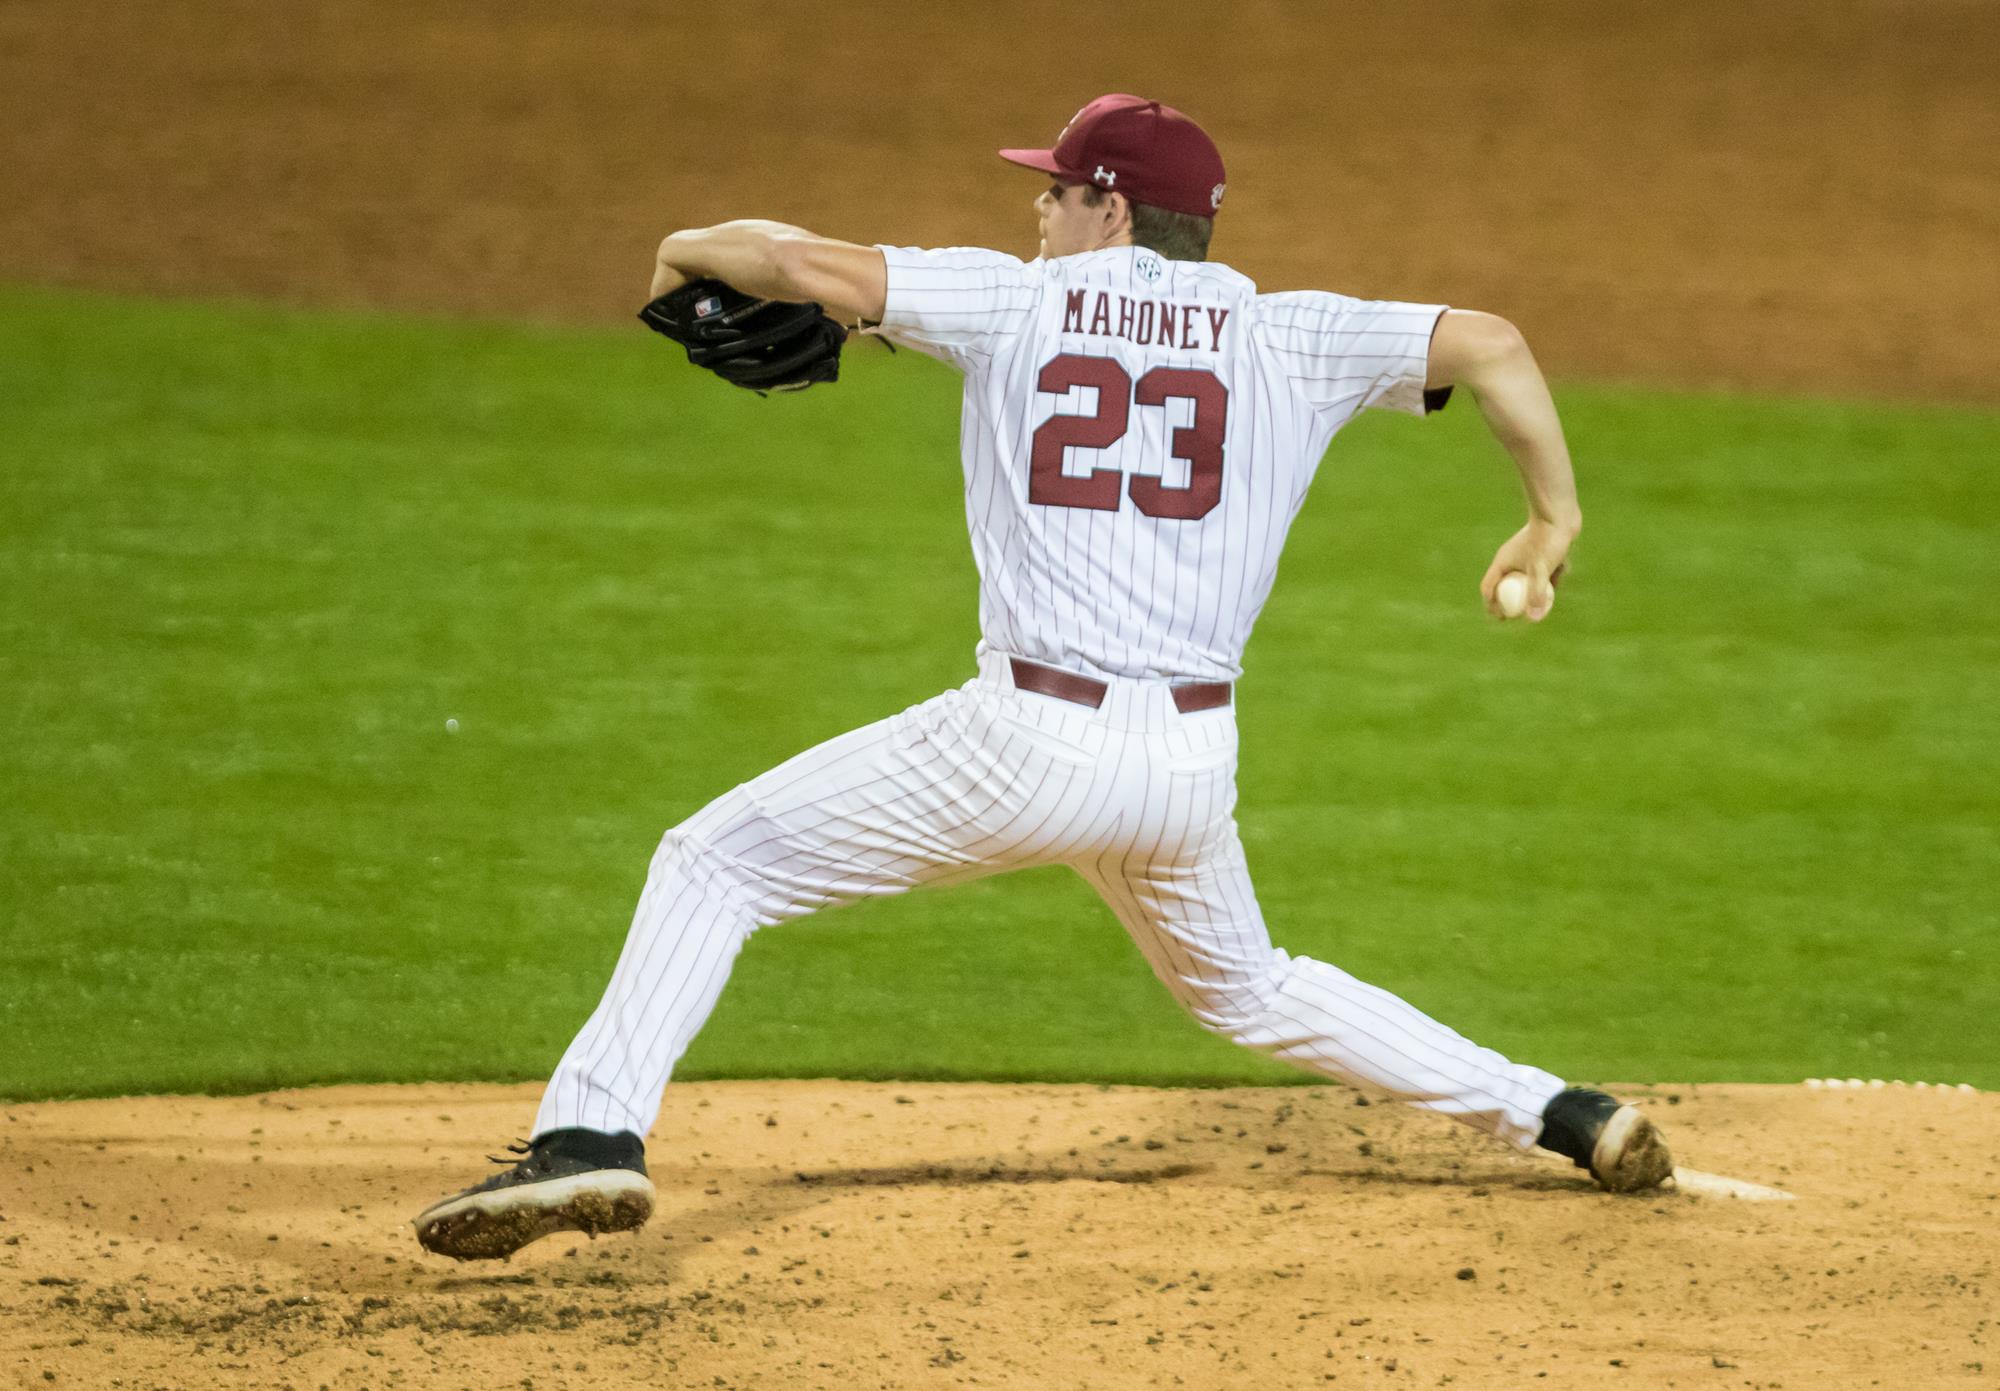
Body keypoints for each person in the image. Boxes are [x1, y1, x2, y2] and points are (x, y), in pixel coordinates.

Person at [412, 93, 1671, 1262]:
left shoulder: (1010, 301)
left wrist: (680, 243)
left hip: (1019, 742)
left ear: (1109, 208)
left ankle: (589, 1141)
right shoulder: (1291, 330)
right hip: (1187, 770)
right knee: (1248, 986)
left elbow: (791, 263)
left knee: (714, 861)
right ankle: (1561, 1112)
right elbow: (1493, 340)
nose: (1037, 208)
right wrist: (1547, 522)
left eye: (1054, 190)